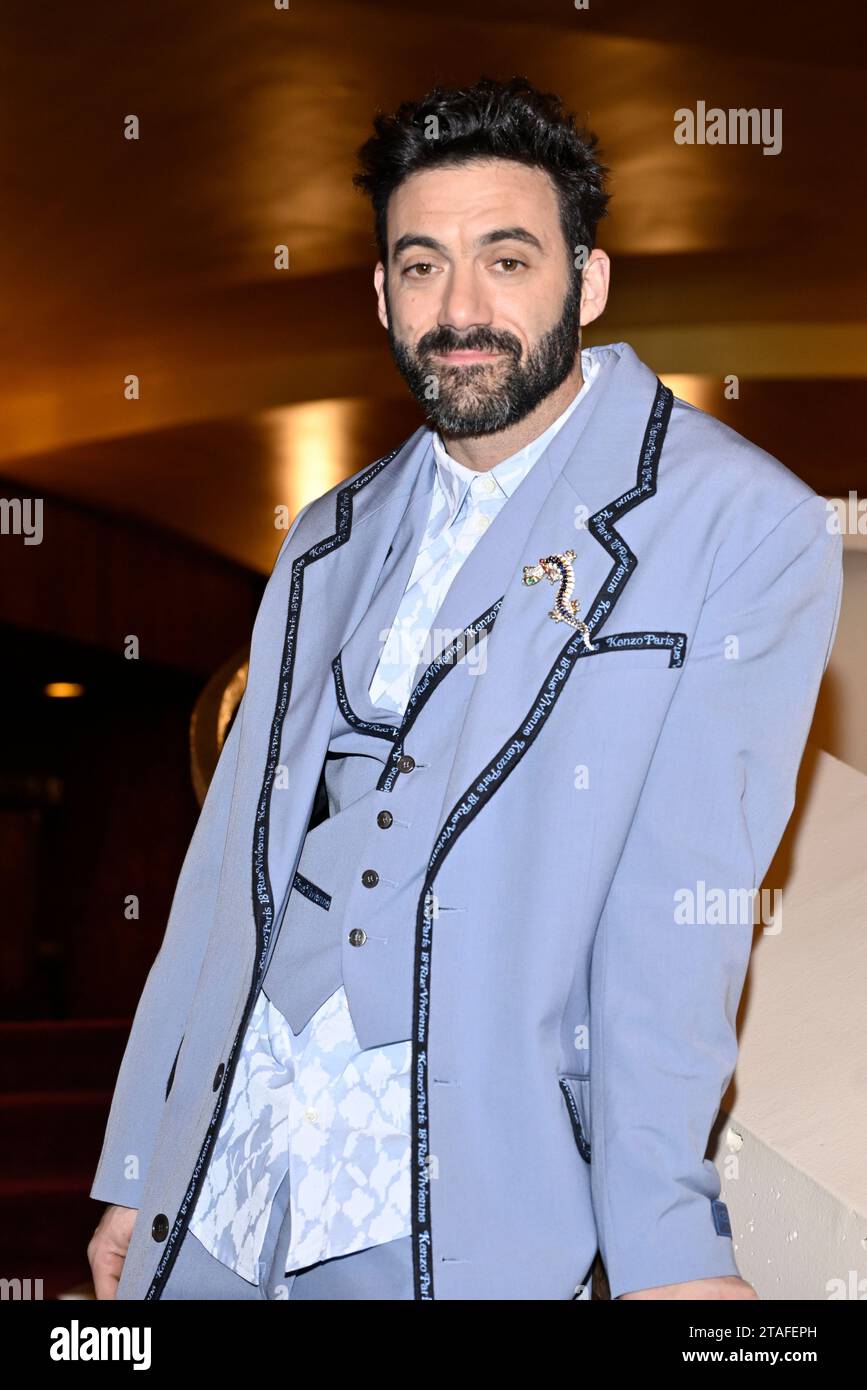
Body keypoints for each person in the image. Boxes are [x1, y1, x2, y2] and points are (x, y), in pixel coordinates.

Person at [87, 75, 843, 1301]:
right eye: (423, 266)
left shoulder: (739, 525)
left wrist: (664, 1246)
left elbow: (677, 917)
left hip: (464, 1200)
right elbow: (227, 873)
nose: (463, 308)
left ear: (586, 283)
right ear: (381, 292)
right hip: (226, 1188)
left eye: (507, 259)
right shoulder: (328, 531)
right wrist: (140, 1157)